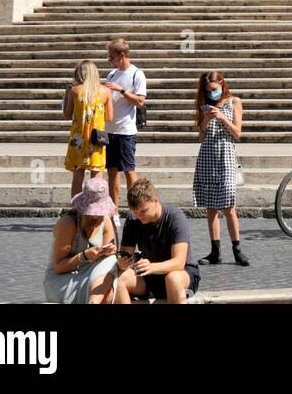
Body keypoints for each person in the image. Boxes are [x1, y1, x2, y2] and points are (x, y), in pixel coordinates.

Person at [193, 69, 249, 266]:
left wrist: (223, 118)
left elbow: (237, 134)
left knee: (229, 206)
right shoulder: (204, 105)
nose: (211, 93)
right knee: (211, 208)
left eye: (214, 89)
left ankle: (237, 250)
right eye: (208, 91)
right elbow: (201, 138)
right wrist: (205, 121)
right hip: (207, 157)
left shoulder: (234, 102)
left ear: (222, 85)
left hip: (226, 157)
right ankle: (215, 251)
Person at [116, 178, 200, 304]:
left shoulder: (175, 217)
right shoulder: (133, 219)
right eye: (135, 212)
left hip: (181, 273)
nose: (139, 216)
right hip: (149, 274)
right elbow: (125, 256)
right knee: (119, 279)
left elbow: (179, 262)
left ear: (155, 201)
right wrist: (122, 263)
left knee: (173, 279)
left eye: (143, 211)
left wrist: (152, 267)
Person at [44, 175, 118, 305]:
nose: (96, 216)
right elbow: (58, 267)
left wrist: (109, 251)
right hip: (63, 280)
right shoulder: (69, 223)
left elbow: (105, 262)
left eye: (99, 211)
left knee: (111, 262)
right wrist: (83, 256)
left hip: (92, 274)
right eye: (92, 211)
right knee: (106, 293)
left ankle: (93, 302)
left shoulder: (105, 220)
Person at [105, 38, 147, 212]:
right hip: (108, 130)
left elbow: (140, 101)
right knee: (112, 171)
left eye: (111, 56)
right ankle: (113, 210)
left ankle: (135, 210)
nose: (109, 60)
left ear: (122, 55)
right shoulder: (111, 74)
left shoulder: (137, 74)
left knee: (129, 171)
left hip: (125, 130)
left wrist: (121, 90)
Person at [63, 60, 114, 198]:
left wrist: (67, 94)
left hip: (78, 139)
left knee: (77, 178)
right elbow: (109, 117)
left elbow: (67, 115)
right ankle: (95, 208)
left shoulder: (75, 91)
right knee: (97, 179)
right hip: (96, 139)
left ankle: (76, 208)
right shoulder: (105, 91)